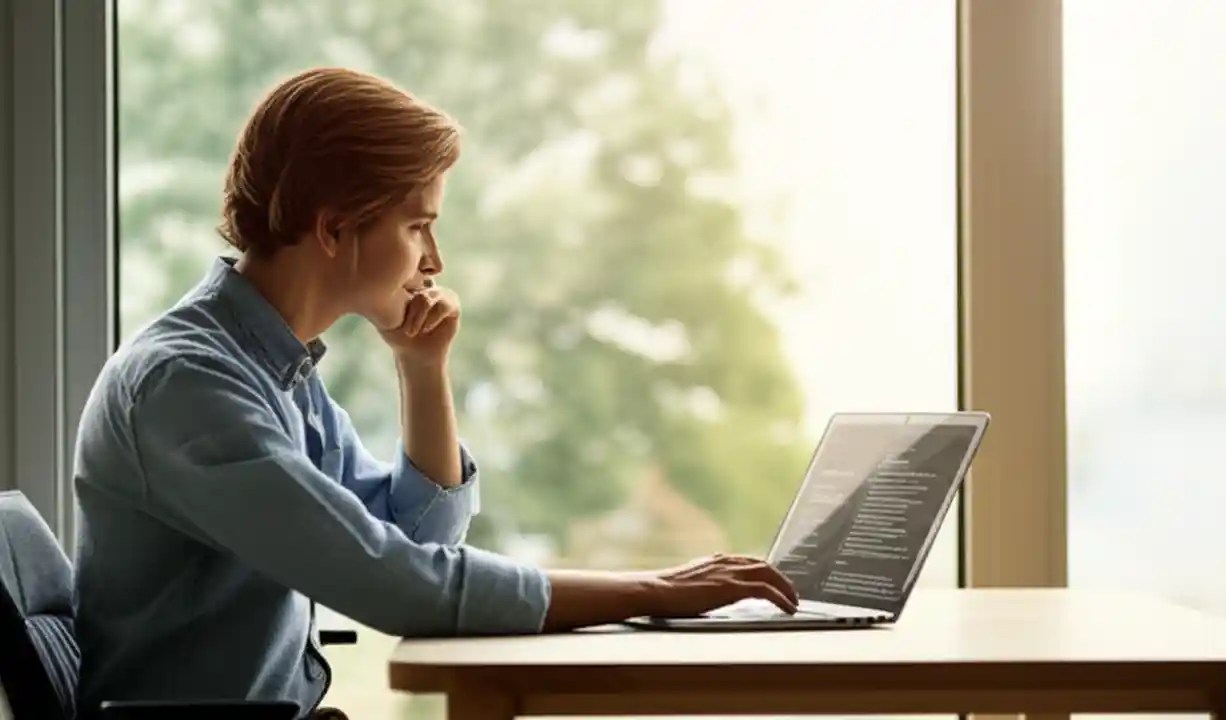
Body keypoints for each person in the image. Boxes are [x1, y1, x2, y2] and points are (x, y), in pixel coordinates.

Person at [72, 67, 797, 719]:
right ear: (333, 228)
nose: (434, 260)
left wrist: (423, 373)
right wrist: (649, 591)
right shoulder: (191, 387)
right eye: (419, 225)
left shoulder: (270, 371)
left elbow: (415, 544)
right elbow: (400, 587)